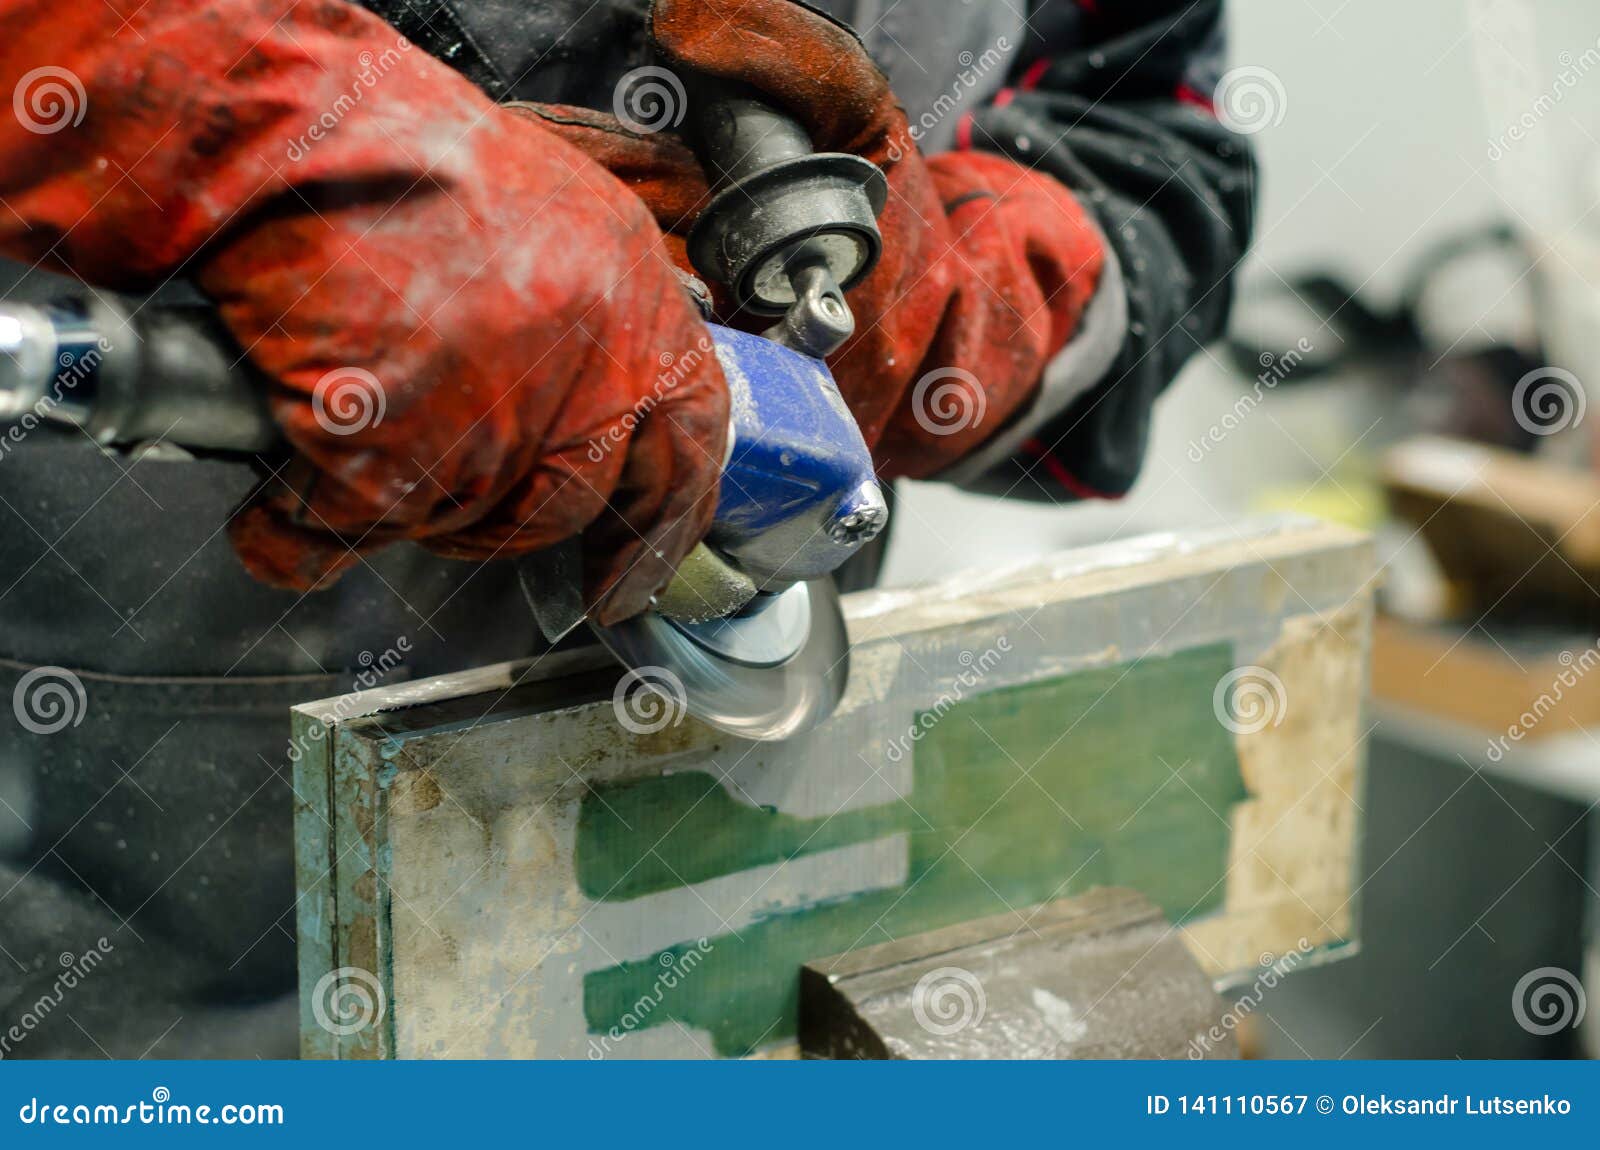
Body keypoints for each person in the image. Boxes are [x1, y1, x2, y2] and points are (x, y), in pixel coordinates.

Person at [0, 0, 1254, 1057]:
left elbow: (1144, 138)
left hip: (724, 910)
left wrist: (976, 303)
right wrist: (226, 106)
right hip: (121, 919)